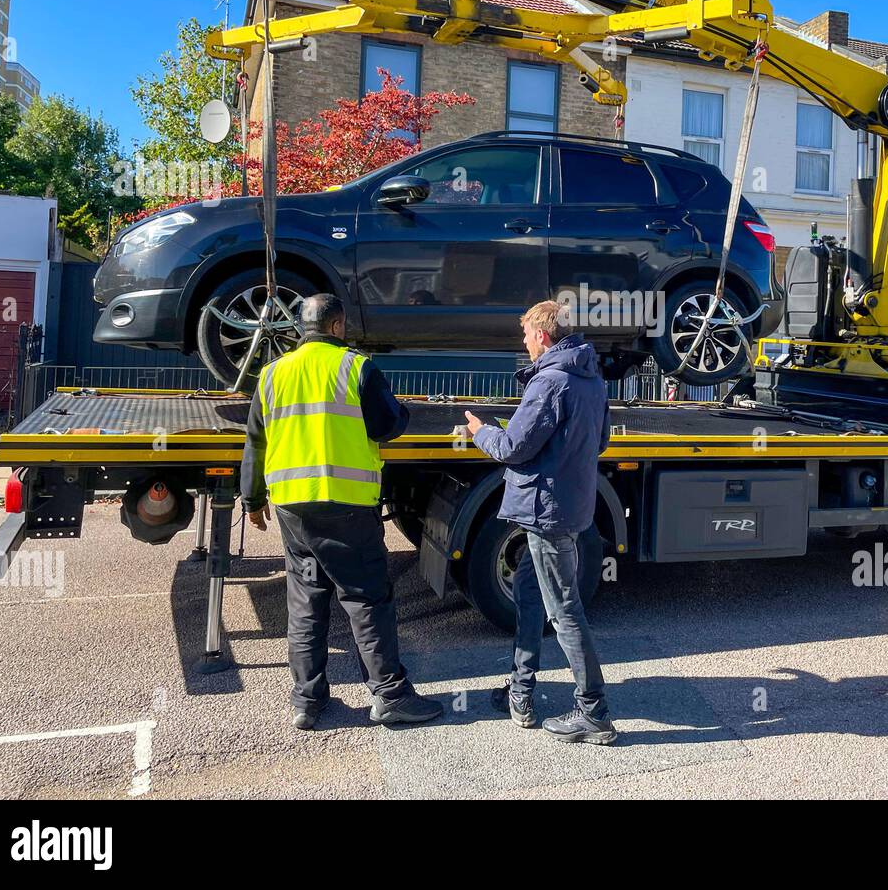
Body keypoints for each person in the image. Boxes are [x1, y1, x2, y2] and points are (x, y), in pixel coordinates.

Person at [242, 293, 442, 731]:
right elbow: (389, 425)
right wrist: (404, 410)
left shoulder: (272, 374)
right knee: (366, 599)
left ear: (301, 328)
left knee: (306, 602)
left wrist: (252, 500)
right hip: (346, 505)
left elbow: (255, 443)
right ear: (337, 326)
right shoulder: (355, 367)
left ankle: (307, 702)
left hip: (293, 508)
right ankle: (390, 696)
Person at [464, 299, 615, 744]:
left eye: (526, 334)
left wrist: (481, 432)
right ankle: (521, 690)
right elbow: (600, 441)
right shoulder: (591, 380)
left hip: (544, 512)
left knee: (564, 611)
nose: (524, 342)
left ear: (543, 336)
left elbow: (513, 446)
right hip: (568, 508)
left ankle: (594, 712)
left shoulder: (549, 382)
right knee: (530, 595)